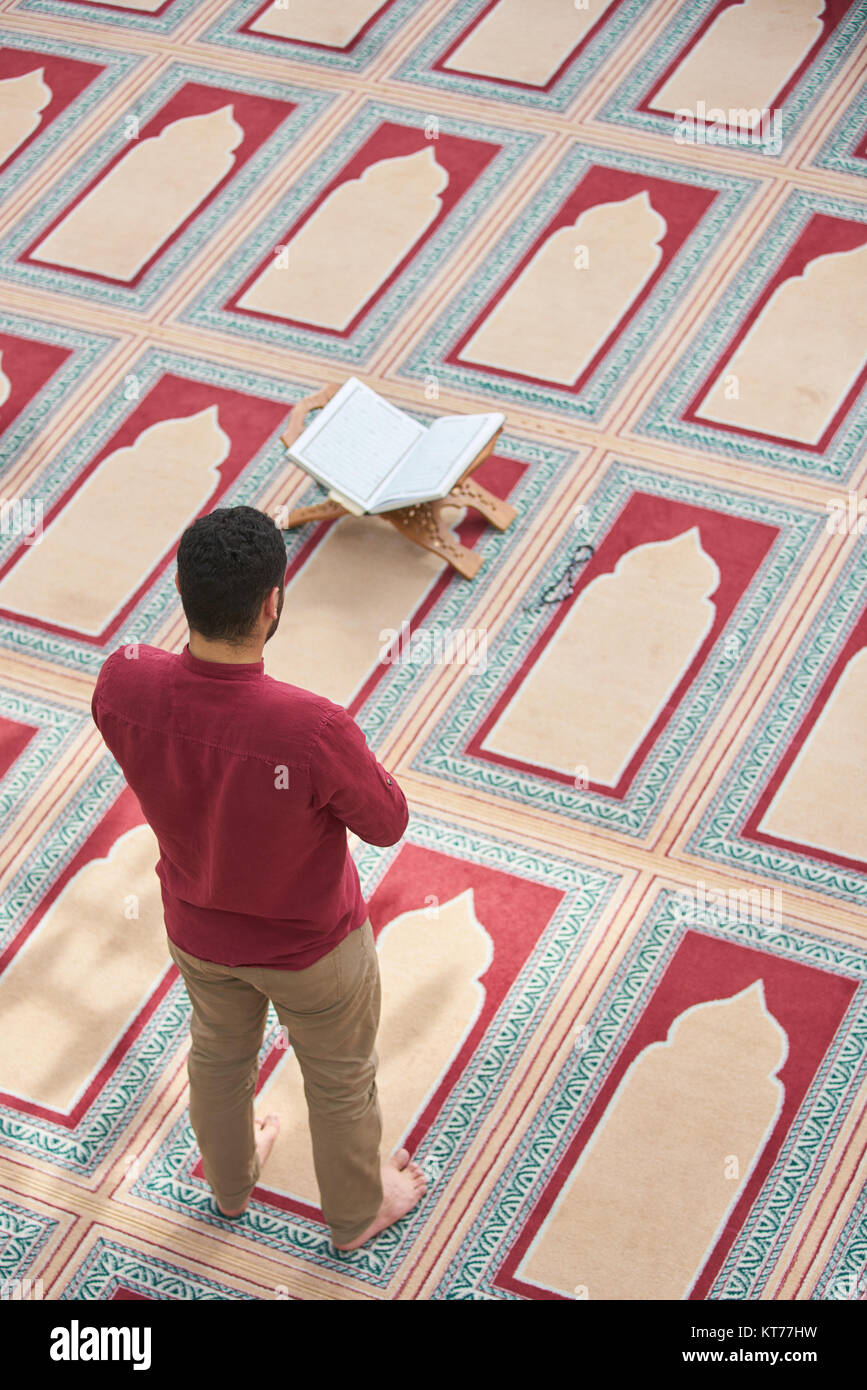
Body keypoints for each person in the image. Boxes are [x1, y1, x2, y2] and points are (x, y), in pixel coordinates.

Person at [90, 504, 427, 1250]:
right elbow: (387, 822)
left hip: (198, 929)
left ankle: (230, 1187)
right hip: (314, 949)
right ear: (273, 601)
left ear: (181, 588)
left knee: (216, 1052)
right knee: (338, 1078)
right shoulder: (312, 728)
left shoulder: (123, 680)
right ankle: (355, 1214)